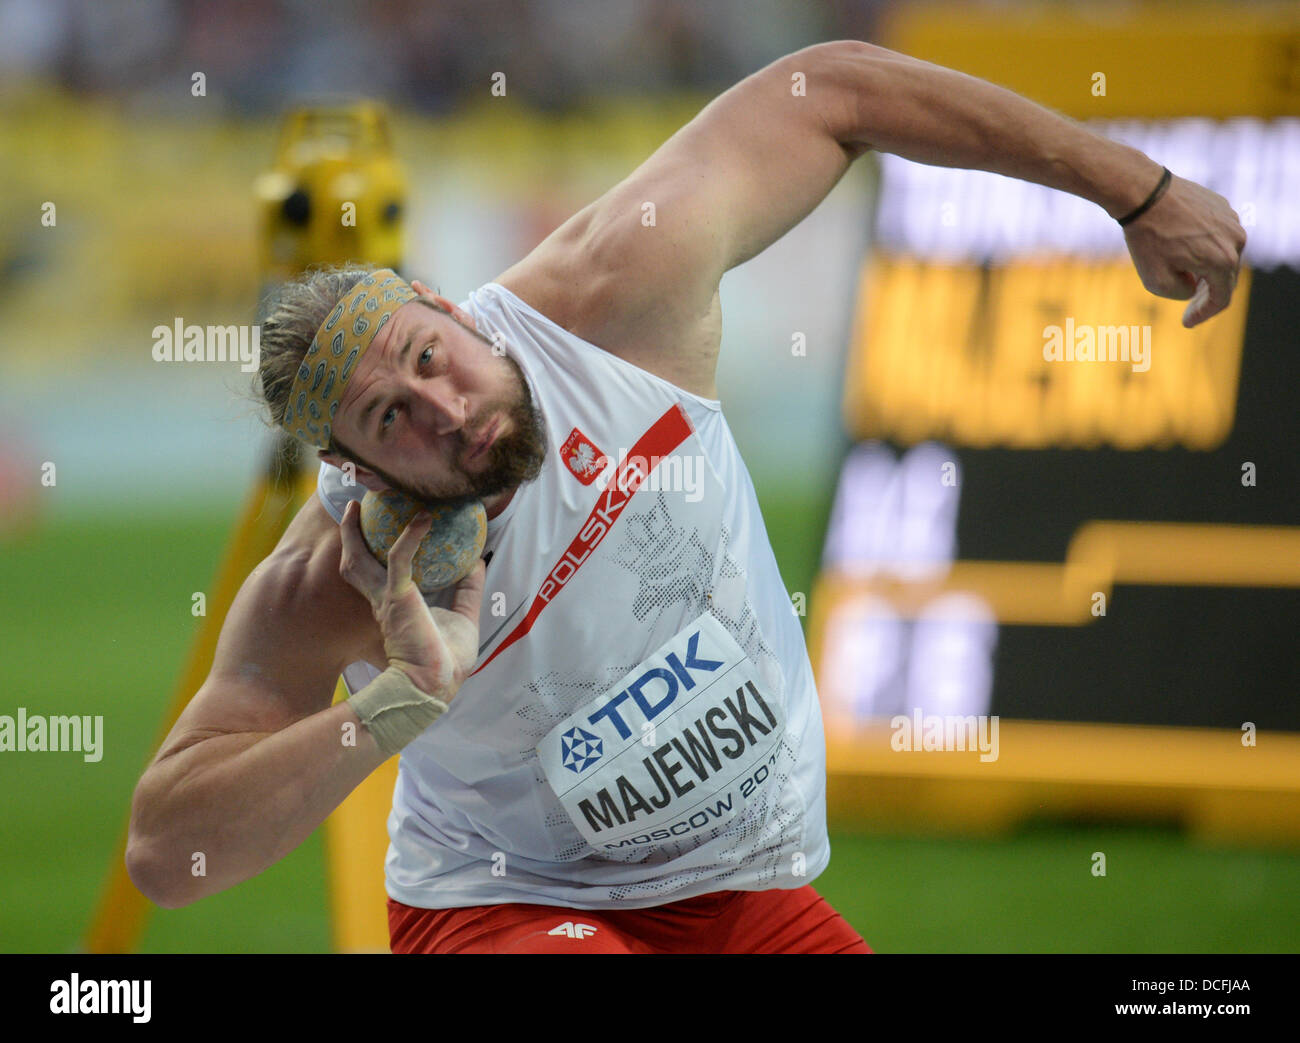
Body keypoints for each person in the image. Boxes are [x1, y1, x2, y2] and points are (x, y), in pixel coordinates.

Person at [125, 40, 1245, 953]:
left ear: (445, 305)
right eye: (388, 421)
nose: (446, 411)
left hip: (740, 890)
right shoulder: (335, 577)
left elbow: (836, 86)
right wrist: (398, 703)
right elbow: (169, 854)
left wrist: (1130, 188)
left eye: (427, 358)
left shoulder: (612, 296)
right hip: (497, 905)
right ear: (357, 472)